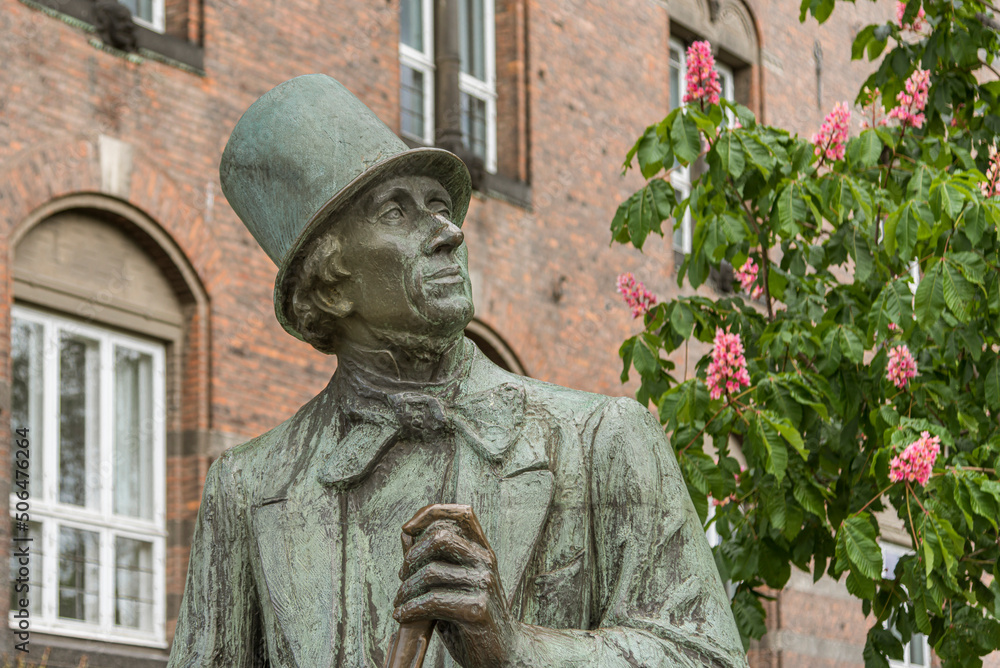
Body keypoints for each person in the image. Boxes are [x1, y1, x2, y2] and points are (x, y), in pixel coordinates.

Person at [167, 74, 748, 668]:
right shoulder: (250, 489)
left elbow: (708, 659)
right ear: (330, 281)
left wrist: (517, 651)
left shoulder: (603, 440)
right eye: (397, 211)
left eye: (440, 207)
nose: (448, 232)